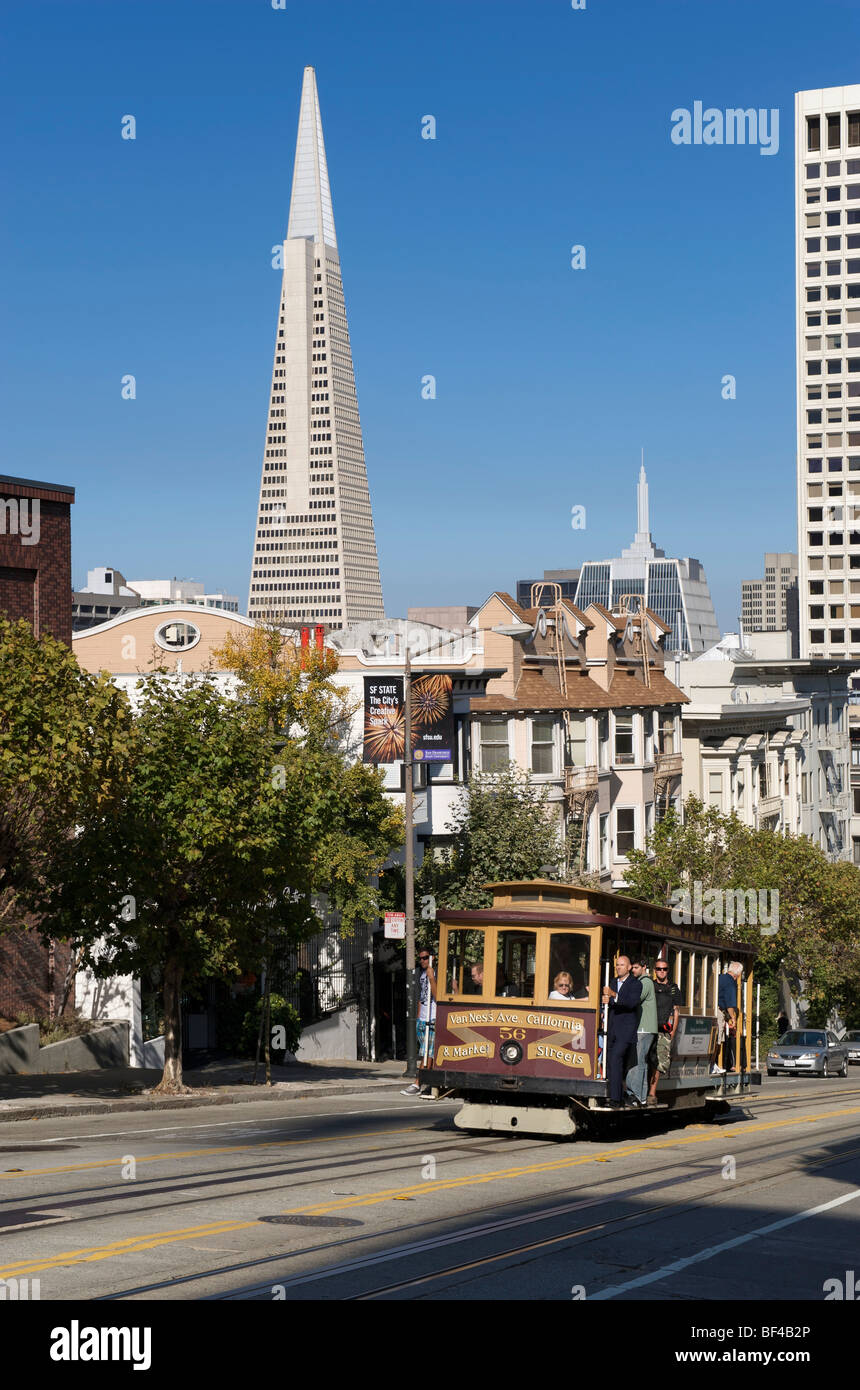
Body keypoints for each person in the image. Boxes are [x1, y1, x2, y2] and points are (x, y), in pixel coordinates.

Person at [602, 955, 642, 1109]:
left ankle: (615, 1099)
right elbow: (611, 1002)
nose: (618, 967)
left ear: (629, 967)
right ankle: (616, 1095)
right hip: (612, 1028)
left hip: (625, 1030)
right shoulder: (612, 982)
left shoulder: (635, 984)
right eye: (617, 965)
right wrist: (607, 1000)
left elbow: (631, 1003)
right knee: (610, 1062)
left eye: (621, 965)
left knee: (616, 1058)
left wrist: (613, 996)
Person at [402, 950, 436, 1096]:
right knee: (429, 1054)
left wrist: (432, 978)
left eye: (425, 958)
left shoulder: (435, 972)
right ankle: (432, 1084)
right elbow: (421, 996)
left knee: (427, 1053)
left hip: (432, 1018)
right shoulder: (420, 974)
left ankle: (417, 1083)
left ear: (432, 958)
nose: (422, 961)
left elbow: (438, 996)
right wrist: (417, 1017)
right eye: (420, 958)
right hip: (422, 1019)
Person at [648, 957, 682, 1106]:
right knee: (646, 1059)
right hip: (648, 1028)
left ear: (668, 971)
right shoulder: (650, 985)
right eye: (659, 969)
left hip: (664, 1030)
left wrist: (673, 1032)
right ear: (654, 971)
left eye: (665, 969)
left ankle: (652, 1093)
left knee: (659, 1063)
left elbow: (676, 1011)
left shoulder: (673, 988)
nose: (662, 972)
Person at [626, 959, 657, 1106]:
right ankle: (640, 1096)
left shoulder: (645, 982)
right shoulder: (643, 981)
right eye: (632, 968)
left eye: (636, 967)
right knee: (640, 1061)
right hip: (643, 1028)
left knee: (638, 1061)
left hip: (644, 1028)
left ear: (644, 967)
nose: (633, 970)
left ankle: (636, 1095)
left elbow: (635, 999)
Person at [713, 960, 743, 1073]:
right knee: (717, 1040)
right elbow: (730, 1004)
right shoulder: (730, 982)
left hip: (711, 1009)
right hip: (719, 1011)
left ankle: (713, 1064)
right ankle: (713, 1064)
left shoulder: (719, 977)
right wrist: (733, 1018)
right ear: (737, 975)